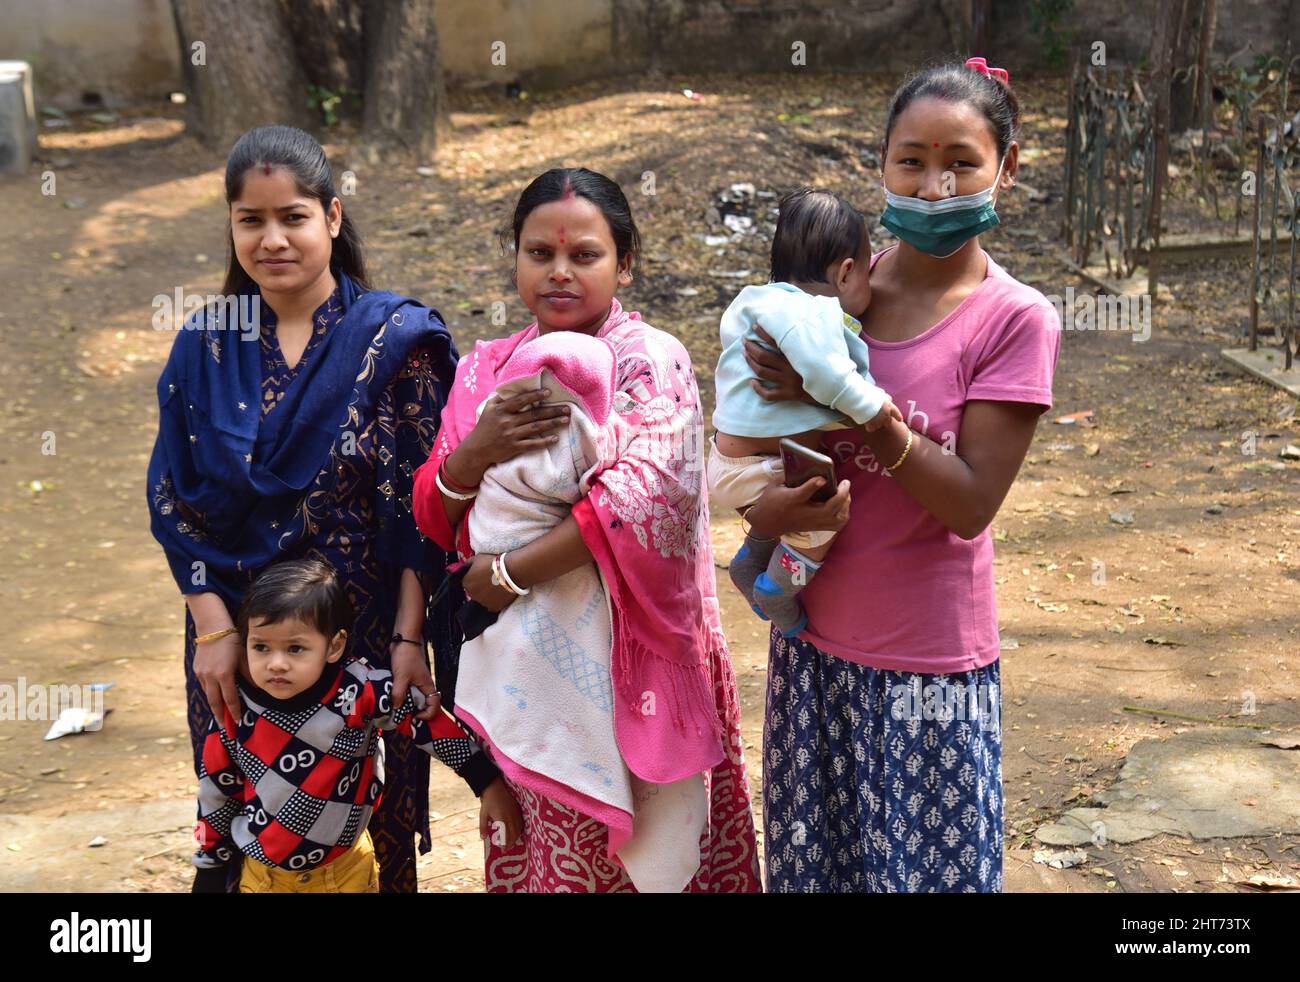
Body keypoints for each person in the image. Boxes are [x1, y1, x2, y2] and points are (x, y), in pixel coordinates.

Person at [742, 57, 1061, 892]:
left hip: (930, 671)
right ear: (879, 164)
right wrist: (765, 506)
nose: (932, 185)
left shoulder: (1015, 320)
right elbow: (767, 449)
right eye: (911, 160)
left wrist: (863, 411)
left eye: (962, 161)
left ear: (1008, 168)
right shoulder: (831, 296)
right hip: (813, 650)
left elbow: (968, 503)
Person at [146, 124, 483, 892]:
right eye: (250, 221)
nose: (272, 239)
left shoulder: (394, 340)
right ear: (230, 227)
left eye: (292, 216)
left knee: (373, 819)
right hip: (241, 633)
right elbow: (173, 499)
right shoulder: (204, 345)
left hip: (359, 635)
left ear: (332, 217)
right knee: (243, 808)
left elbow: (416, 511)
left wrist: (406, 639)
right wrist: (214, 631)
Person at [412, 167, 762, 892]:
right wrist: (477, 451)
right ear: (515, 258)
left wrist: (507, 574)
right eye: (539, 254)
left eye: (585, 255)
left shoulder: (649, 361)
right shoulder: (488, 371)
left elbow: (641, 502)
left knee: (656, 865)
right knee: (557, 864)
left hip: (639, 664)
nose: (560, 272)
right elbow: (438, 517)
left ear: (625, 263)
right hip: (528, 676)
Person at [190, 558, 517, 893]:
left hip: (346, 874)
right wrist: (209, 867)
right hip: (265, 880)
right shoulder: (236, 709)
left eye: (295, 648)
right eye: (261, 646)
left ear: (334, 646)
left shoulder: (359, 693)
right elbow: (216, 790)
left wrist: (485, 782)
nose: (276, 663)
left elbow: (427, 723)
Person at [708, 187, 901, 636]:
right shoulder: (810, 315)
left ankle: (750, 561)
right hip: (761, 467)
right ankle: (778, 589)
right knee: (818, 528)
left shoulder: (756, 300)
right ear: (847, 273)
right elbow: (828, 374)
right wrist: (872, 407)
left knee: (791, 516)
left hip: (728, 458)